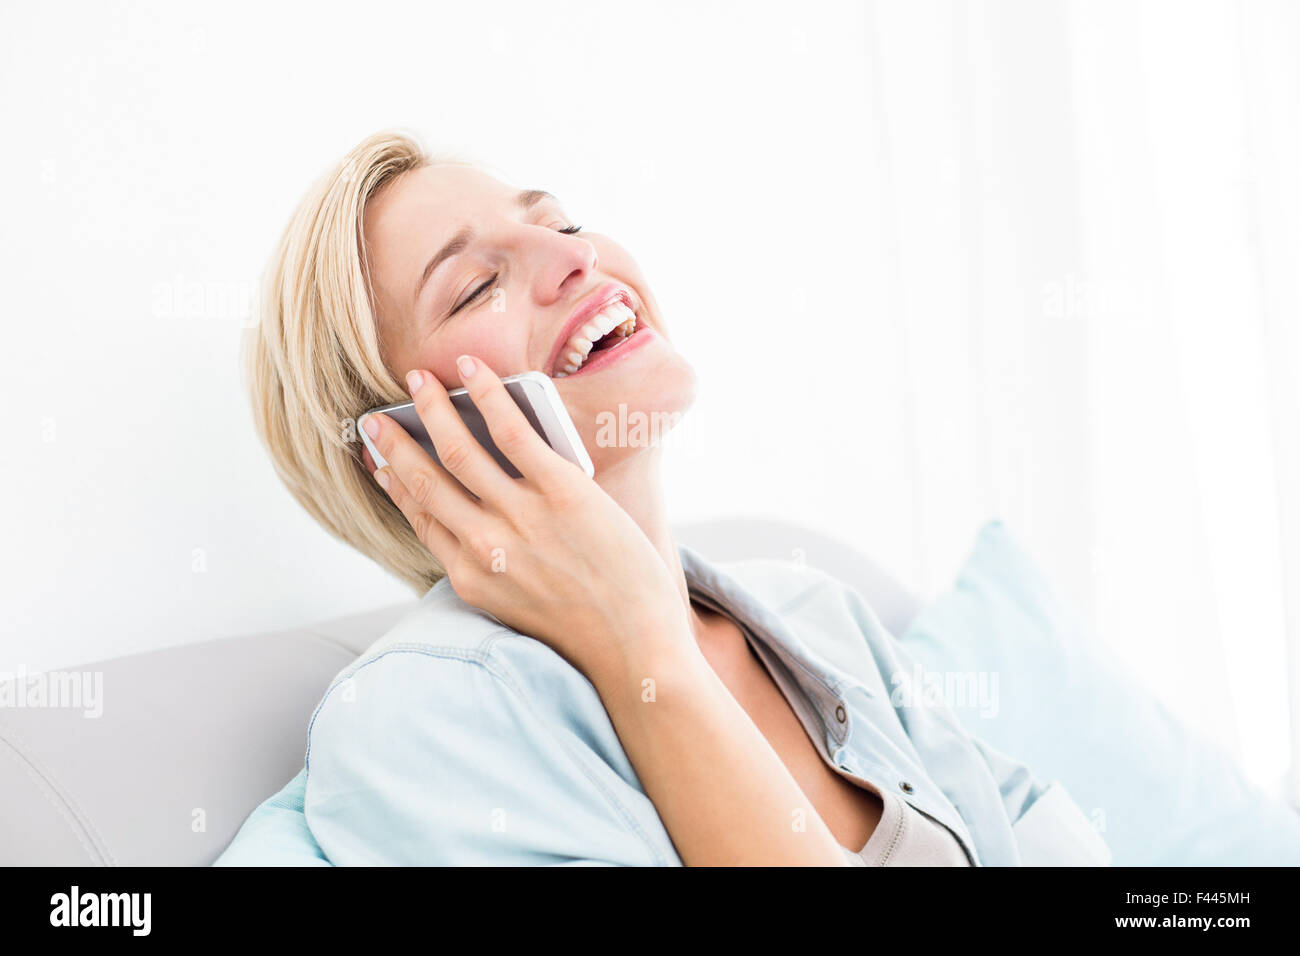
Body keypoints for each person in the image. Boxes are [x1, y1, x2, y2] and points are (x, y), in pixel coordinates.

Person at [218, 129, 1110, 866]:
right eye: (476, 284)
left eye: (562, 221)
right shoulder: (424, 717)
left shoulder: (816, 612)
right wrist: (642, 650)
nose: (573, 257)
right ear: (407, 450)